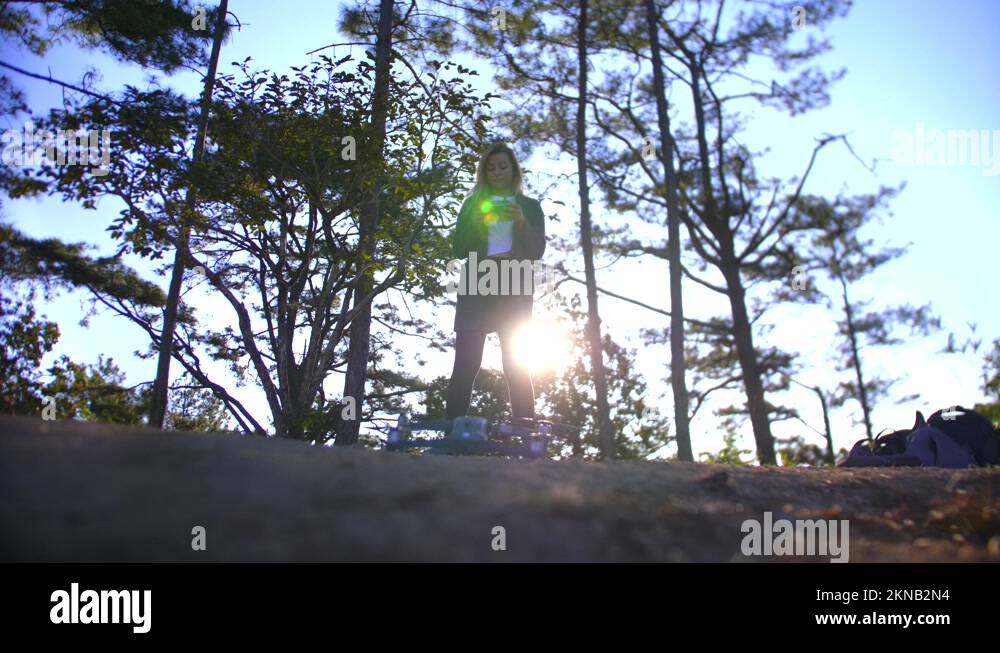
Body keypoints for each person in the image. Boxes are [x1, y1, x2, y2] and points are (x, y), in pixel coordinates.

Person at [445, 142, 546, 422]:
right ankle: (451, 432)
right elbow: (459, 249)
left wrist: (522, 222)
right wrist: (475, 223)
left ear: (513, 169)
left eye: (503, 166)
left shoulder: (530, 207)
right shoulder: (472, 204)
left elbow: (537, 251)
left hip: (514, 286)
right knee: (466, 364)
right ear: (484, 173)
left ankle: (526, 432)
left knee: (516, 364)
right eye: (491, 168)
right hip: (476, 286)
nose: (497, 172)